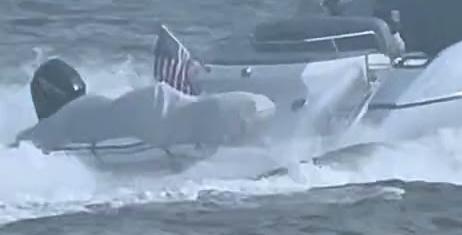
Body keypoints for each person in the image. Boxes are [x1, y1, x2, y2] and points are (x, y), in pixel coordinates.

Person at [10, 57, 277, 152]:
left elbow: (24, 146)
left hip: (153, 111)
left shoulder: (65, 119)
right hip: (154, 109)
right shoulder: (73, 115)